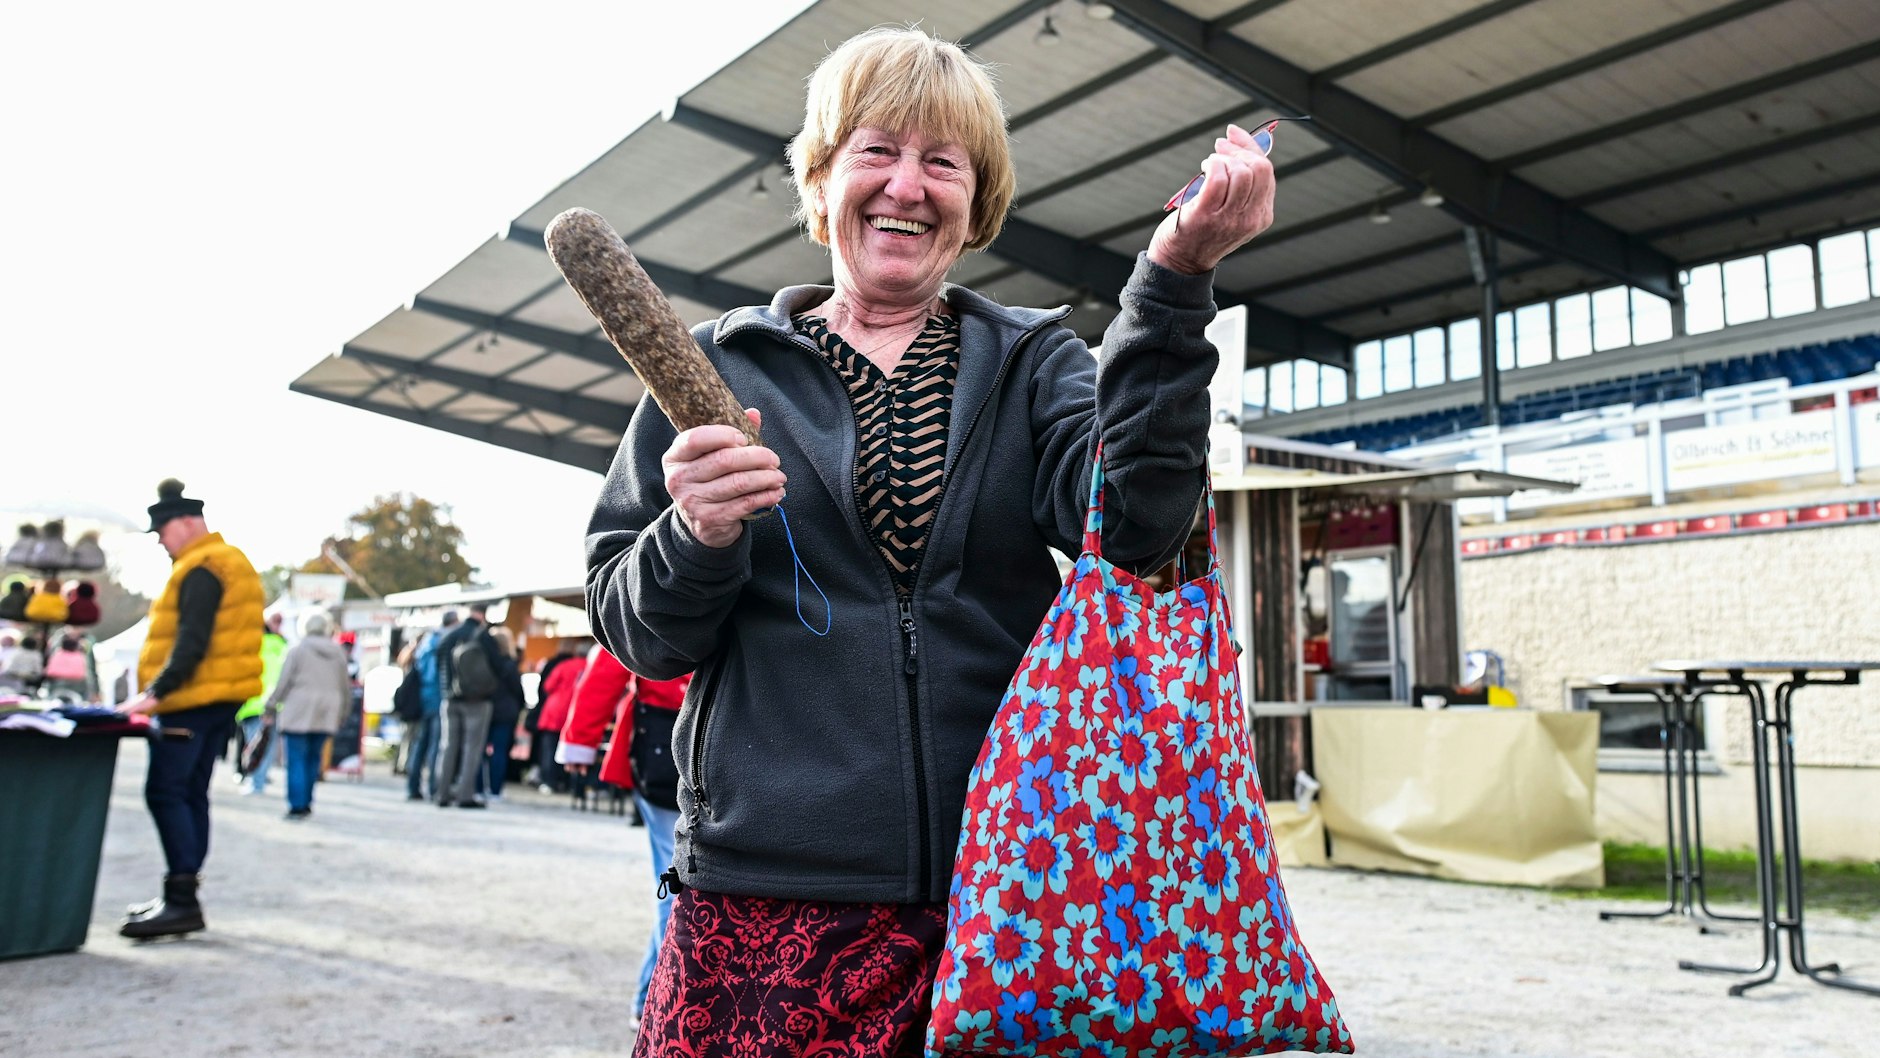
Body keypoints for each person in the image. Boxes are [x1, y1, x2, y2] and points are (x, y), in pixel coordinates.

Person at [585, 27, 1276, 1055]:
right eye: (876, 150)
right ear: (822, 177)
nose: (906, 185)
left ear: (975, 197)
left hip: (1006, 894)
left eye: (942, 162)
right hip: (764, 893)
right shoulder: (717, 367)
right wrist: (697, 531)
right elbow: (640, 635)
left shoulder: (1033, 361)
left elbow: (1137, 529)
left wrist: (1172, 282)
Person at [120, 478, 265, 939]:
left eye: (162, 532)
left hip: (191, 699)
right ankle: (183, 895)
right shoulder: (231, 560)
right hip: (221, 699)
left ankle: (182, 899)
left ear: (185, 522)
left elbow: (192, 640)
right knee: (191, 793)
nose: (161, 542)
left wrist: (156, 693)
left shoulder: (202, 566)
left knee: (166, 792)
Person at [557, 645, 689, 1031]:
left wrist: (582, 738)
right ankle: (656, 998)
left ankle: (653, 998)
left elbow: (615, 654)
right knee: (680, 885)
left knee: (676, 884)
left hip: (666, 747)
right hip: (717, 748)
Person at [263, 611, 351, 819]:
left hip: (298, 711)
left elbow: (283, 682)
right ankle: (307, 801)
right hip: (326, 713)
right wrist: (343, 712)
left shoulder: (298, 650)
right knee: (313, 758)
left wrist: (271, 705)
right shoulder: (338, 653)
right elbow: (345, 687)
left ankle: (297, 805)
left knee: (296, 759)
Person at [433, 601, 503, 808]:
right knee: (472, 748)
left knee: (447, 747)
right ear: (483, 614)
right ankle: (465, 795)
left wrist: (448, 688)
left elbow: (438, 664)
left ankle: (441, 793)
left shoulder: (448, 636)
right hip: (476, 700)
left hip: (449, 698)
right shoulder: (483, 636)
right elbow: (498, 665)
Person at [404, 610, 458, 801]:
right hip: (437, 696)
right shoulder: (443, 641)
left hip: (424, 696)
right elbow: (438, 674)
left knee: (420, 743)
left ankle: (413, 786)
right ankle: (435, 787)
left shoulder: (427, 641)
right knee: (436, 744)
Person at [235, 612, 289, 794]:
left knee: (254, 744)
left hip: (252, 702)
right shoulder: (283, 647)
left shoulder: (252, 646)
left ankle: (255, 781)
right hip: (276, 704)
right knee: (268, 745)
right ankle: (259, 779)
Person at [477, 626, 527, 801]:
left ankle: (478, 788)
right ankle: (495, 790)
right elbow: (517, 690)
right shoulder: (509, 664)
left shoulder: (485, 663)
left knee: (480, 751)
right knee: (499, 751)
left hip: (486, 708)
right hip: (505, 712)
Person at [531, 644, 585, 795]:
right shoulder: (589, 666)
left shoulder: (564, 665)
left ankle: (549, 782)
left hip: (555, 711)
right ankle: (566, 783)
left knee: (549, 749)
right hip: (575, 712)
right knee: (570, 750)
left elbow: (548, 686)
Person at [43, 632, 91, 698]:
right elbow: (83, 673)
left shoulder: (58, 654)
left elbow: (50, 670)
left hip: (58, 682)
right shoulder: (79, 656)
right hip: (76, 684)